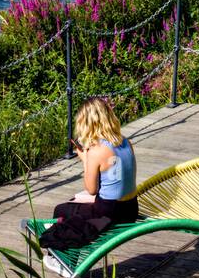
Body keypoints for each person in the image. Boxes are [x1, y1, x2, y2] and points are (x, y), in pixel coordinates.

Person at [51, 97, 138, 230]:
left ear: (86, 124)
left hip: (110, 214)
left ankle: (66, 249)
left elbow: (91, 190)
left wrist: (86, 160)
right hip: (131, 210)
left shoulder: (96, 151)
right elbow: (118, 176)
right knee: (77, 204)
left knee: (60, 210)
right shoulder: (126, 142)